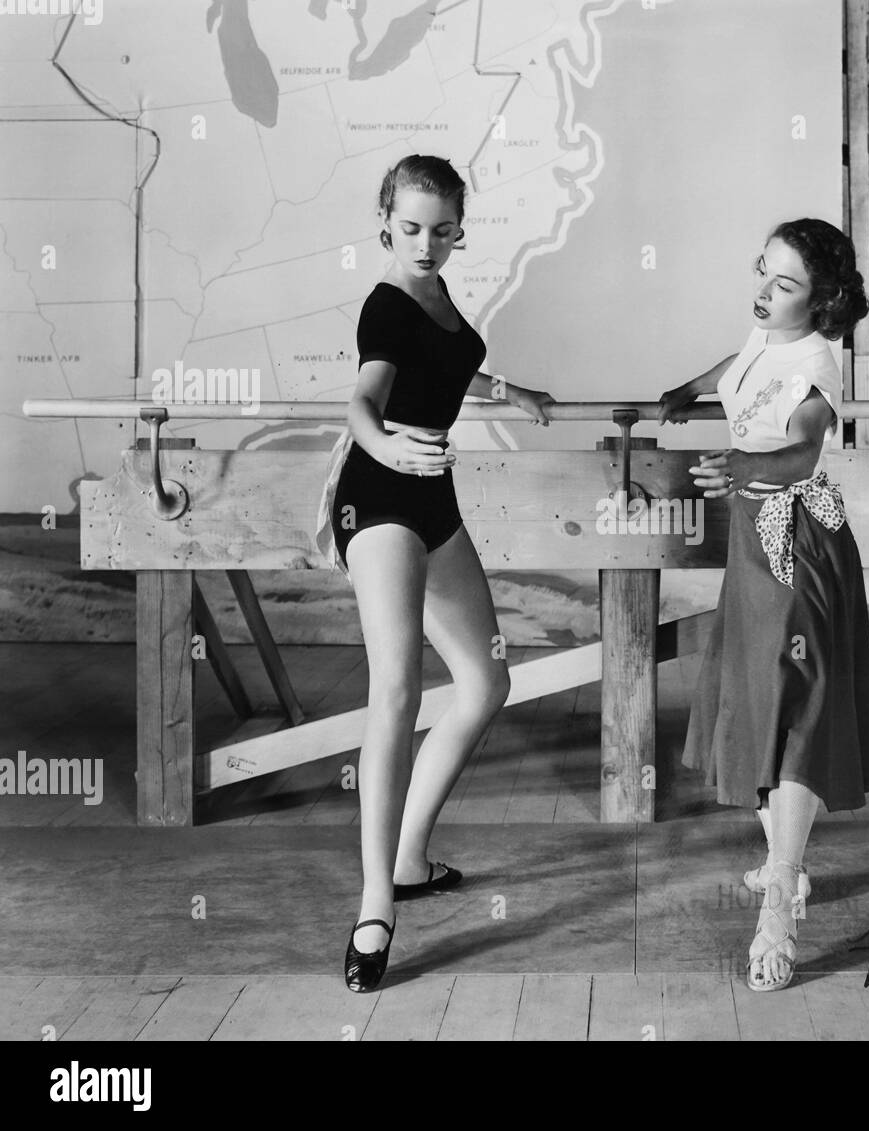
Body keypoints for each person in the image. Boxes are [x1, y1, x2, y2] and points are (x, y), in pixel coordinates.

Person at [315, 155, 555, 992]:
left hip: (433, 502)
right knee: (396, 689)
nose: (425, 242)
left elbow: (441, 362)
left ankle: (410, 857)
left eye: (441, 229)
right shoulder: (385, 302)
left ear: (457, 229)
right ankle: (377, 900)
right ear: (385, 220)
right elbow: (365, 397)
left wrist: (504, 387)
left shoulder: (436, 289)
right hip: (378, 500)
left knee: (486, 681)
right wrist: (380, 442)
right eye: (410, 227)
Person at [657, 218, 869, 992]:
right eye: (762, 272)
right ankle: (784, 860)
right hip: (753, 545)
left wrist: (744, 458)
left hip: (801, 541)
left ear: (819, 301)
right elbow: (745, 357)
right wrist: (688, 388)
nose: (763, 292)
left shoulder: (817, 359)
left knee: (795, 705)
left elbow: (806, 449)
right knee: (761, 701)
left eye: (783, 285)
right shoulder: (769, 335)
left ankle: (779, 900)